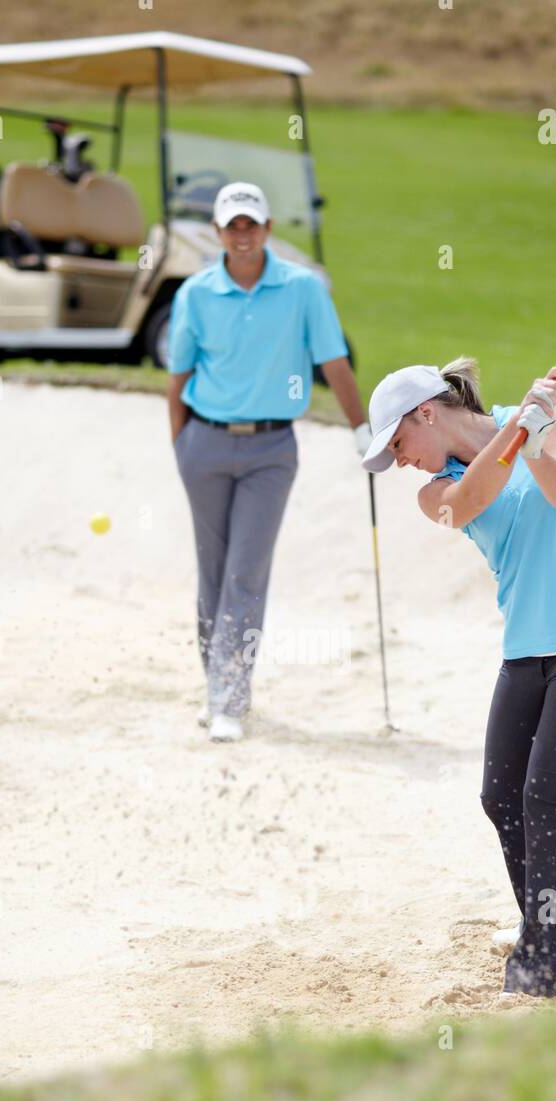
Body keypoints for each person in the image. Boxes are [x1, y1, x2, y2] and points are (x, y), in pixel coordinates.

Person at [361, 358, 556, 998]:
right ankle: (552, 920)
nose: (401, 460)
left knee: (547, 794)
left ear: (426, 411)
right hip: (528, 650)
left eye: (399, 443)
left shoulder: (548, 421)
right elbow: (472, 500)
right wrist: (518, 432)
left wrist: (537, 439)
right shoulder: (435, 492)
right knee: (501, 794)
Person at [167, 181, 370, 742]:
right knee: (212, 572)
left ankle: (231, 698)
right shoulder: (196, 292)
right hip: (204, 444)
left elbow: (335, 363)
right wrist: (180, 445)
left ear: (268, 228)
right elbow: (178, 376)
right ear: (217, 231)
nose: (242, 234)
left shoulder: (303, 289)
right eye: (232, 225)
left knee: (246, 572)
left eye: (250, 224)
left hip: (271, 451)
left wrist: (361, 431)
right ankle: (218, 686)